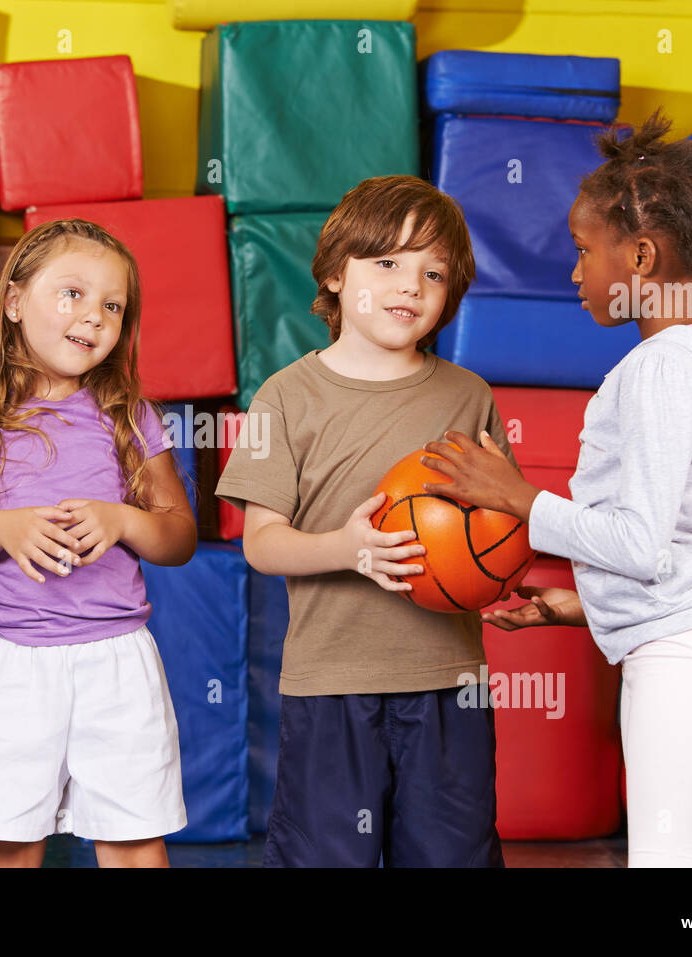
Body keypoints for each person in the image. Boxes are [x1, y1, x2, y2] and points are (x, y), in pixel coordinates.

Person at [423, 110, 692, 867]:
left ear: (642, 256)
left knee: (664, 861)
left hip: (683, 650)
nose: (576, 273)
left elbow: (640, 542)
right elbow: (681, 539)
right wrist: (585, 604)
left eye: (585, 251)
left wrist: (516, 495)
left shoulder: (657, 373)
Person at [217, 175, 517, 867]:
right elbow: (262, 543)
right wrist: (348, 548)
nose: (410, 285)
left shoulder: (469, 396)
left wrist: (501, 550)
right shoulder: (282, 398)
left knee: (452, 855)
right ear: (333, 272)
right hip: (331, 684)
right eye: (387, 263)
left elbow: (502, 525)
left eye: (432, 272)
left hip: (450, 685)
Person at [0, 218, 196, 868]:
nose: (94, 316)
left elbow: (180, 535)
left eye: (112, 304)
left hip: (116, 661)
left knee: (134, 842)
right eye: (72, 293)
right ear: (14, 301)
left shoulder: (131, 417)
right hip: (11, 664)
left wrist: (125, 521)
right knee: (10, 845)